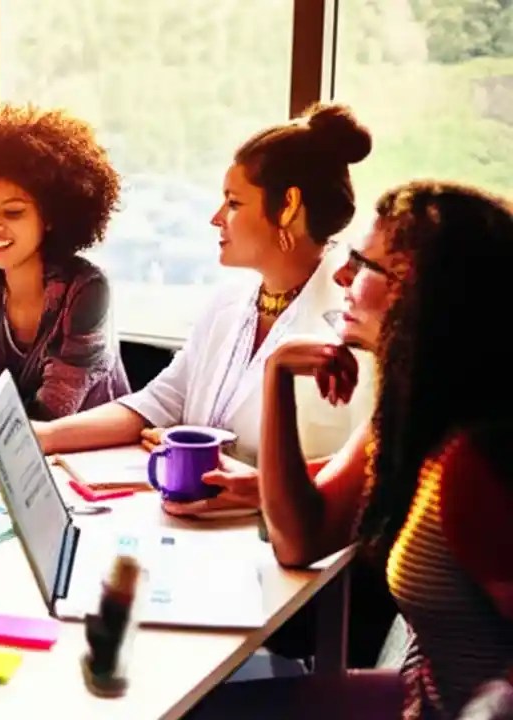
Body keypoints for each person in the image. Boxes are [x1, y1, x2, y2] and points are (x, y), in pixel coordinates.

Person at [193, 180, 513, 719]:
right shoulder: (416, 415)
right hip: (420, 694)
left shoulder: (474, 462)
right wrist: (277, 377)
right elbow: (302, 539)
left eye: (363, 263)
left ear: (420, 294)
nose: (341, 275)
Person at [37, 103, 378, 500]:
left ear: (288, 207)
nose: (217, 217)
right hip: (202, 523)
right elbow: (162, 400)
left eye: (234, 203)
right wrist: (44, 436)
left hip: (288, 543)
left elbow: (367, 471)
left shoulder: (353, 323)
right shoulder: (228, 302)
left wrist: (245, 482)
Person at [0, 102, 130, 424]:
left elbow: (54, 412)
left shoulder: (86, 289)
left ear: (51, 217)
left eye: (13, 212)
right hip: (10, 452)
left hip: (90, 458)